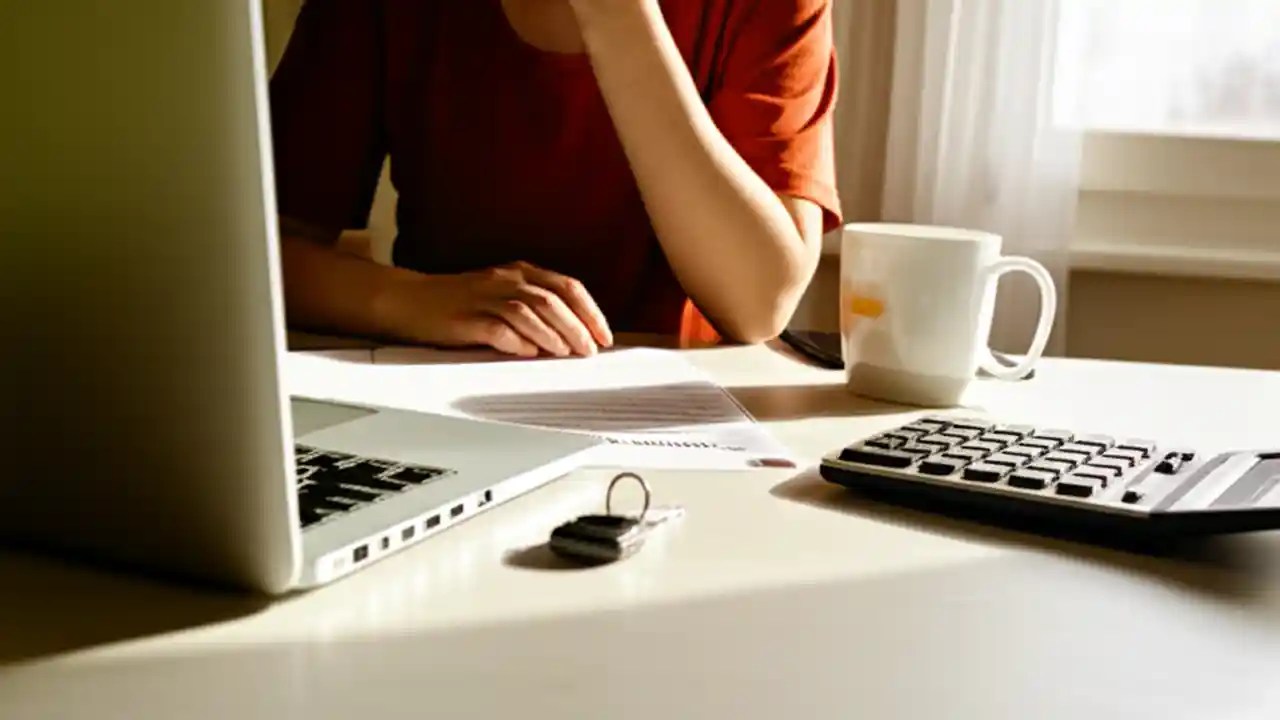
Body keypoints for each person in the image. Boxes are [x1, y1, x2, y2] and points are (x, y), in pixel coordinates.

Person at [270, 0, 842, 357]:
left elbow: (759, 301)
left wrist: (616, 11)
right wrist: (411, 302)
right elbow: (251, 256)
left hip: (672, 430)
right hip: (434, 387)